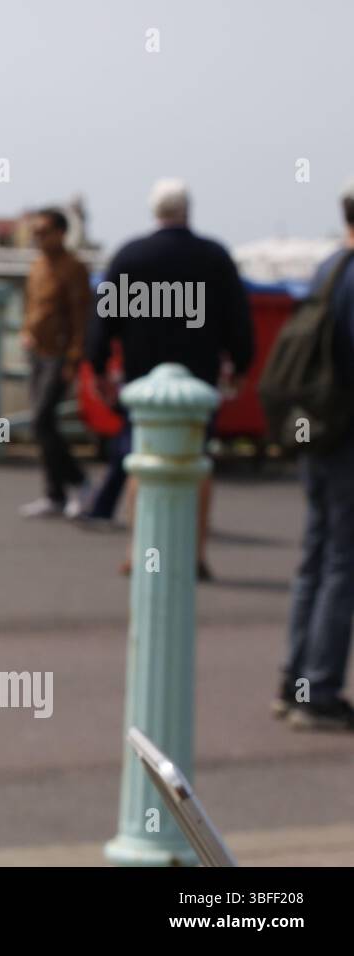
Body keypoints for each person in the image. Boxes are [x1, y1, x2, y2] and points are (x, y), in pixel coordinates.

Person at [88, 179, 254, 579]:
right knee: (198, 463)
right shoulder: (214, 258)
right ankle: (195, 553)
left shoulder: (130, 256)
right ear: (187, 211)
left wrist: (97, 367)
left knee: (139, 463)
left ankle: (137, 550)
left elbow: (103, 321)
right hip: (198, 382)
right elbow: (238, 320)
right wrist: (241, 366)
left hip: (141, 382)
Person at [277, 182, 354, 731]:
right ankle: (319, 690)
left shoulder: (328, 268)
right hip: (347, 433)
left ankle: (294, 679)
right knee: (341, 564)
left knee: (315, 555)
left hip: (316, 426)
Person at [18, 208, 94, 519]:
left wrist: (75, 358)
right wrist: (25, 332)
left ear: (61, 233)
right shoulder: (37, 267)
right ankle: (55, 494)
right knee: (43, 426)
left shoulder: (73, 269)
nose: (38, 237)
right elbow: (31, 305)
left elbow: (82, 317)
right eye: (35, 231)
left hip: (60, 355)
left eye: (44, 231)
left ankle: (79, 481)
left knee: (41, 420)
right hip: (37, 352)